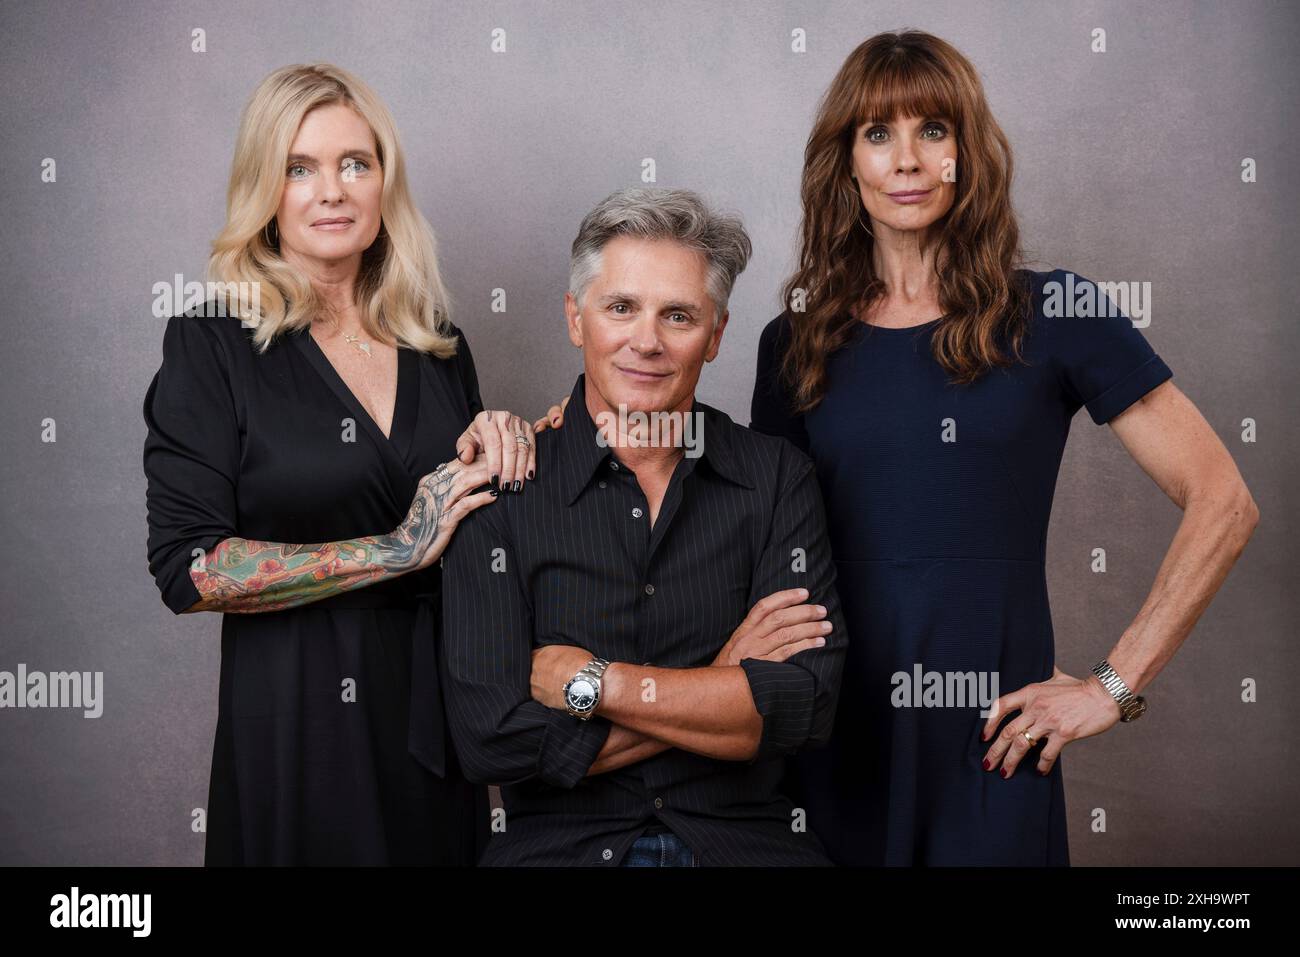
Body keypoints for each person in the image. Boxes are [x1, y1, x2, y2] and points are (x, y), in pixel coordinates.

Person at [747, 30, 1260, 865]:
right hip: (829, 746)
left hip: (992, 745)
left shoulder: (1056, 312)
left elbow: (1224, 499)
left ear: (968, 152)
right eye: (878, 135)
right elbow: (756, 546)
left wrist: (1112, 686)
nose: (907, 160)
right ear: (845, 165)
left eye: (933, 130)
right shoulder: (795, 340)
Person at [143, 63, 544, 865]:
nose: (332, 191)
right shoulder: (212, 344)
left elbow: (468, 526)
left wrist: (517, 437)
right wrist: (395, 548)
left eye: (354, 164)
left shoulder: (439, 345)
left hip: (432, 719)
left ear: (383, 182)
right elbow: (191, 568)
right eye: (300, 168)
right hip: (293, 720)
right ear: (267, 188)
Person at [440, 187, 847, 866]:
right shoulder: (503, 489)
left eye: (679, 315)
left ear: (716, 335)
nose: (647, 341)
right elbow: (492, 739)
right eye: (621, 307)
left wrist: (595, 683)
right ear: (576, 318)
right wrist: (721, 681)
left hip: (746, 845)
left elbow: (802, 704)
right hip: (557, 851)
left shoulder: (778, 478)